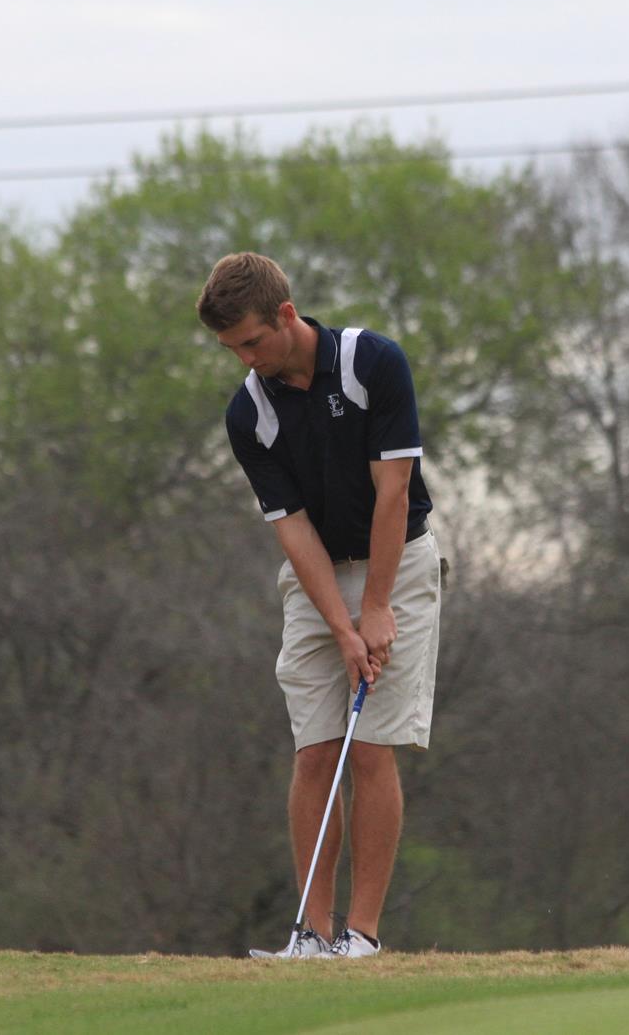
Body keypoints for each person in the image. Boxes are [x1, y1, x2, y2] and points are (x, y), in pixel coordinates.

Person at [198, 252, 442, 959]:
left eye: (251, 342)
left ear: (285, 314)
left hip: (398, 563)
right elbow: (292, 526)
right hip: (316, 580)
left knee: (369, 751)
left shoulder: (374, 363)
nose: (245, 359)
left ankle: (361, 937)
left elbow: (394, 493)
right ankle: (312, 932)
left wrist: (375, 608)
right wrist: (341, 624)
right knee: (315, 752)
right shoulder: (250, 412)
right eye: (232, 349)